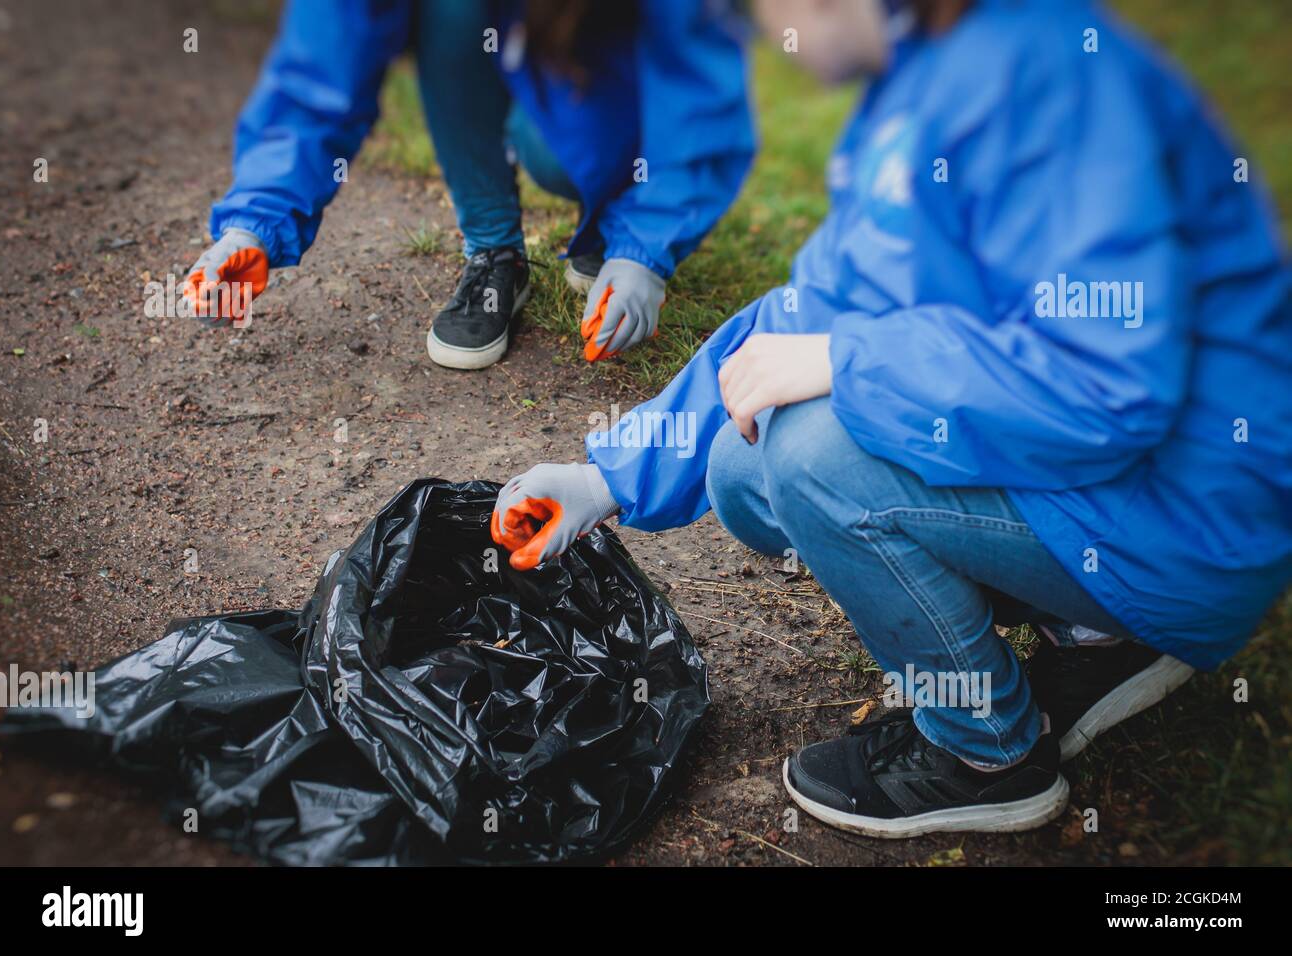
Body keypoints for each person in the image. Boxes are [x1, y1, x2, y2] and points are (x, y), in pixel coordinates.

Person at [490, 0, 1292, 837]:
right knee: (743, 459)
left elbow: (1109, 381)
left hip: (1190, 520)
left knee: (808, 452)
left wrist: (848, 361)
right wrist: (605, 479)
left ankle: (990, 756)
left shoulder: (1040, 71)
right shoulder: (917, 82)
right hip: (1108, 487)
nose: (764, 34)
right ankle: (1088, 627)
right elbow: (814, 310)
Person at [181, 0, 754, 370]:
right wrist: (253, 222)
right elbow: (320, 71)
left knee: (560, 151)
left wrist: (646, 250)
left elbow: (696, 89)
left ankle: (611, 223)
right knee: (452, 10)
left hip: (600, 47)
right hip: (490, 27)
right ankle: (494, 249)